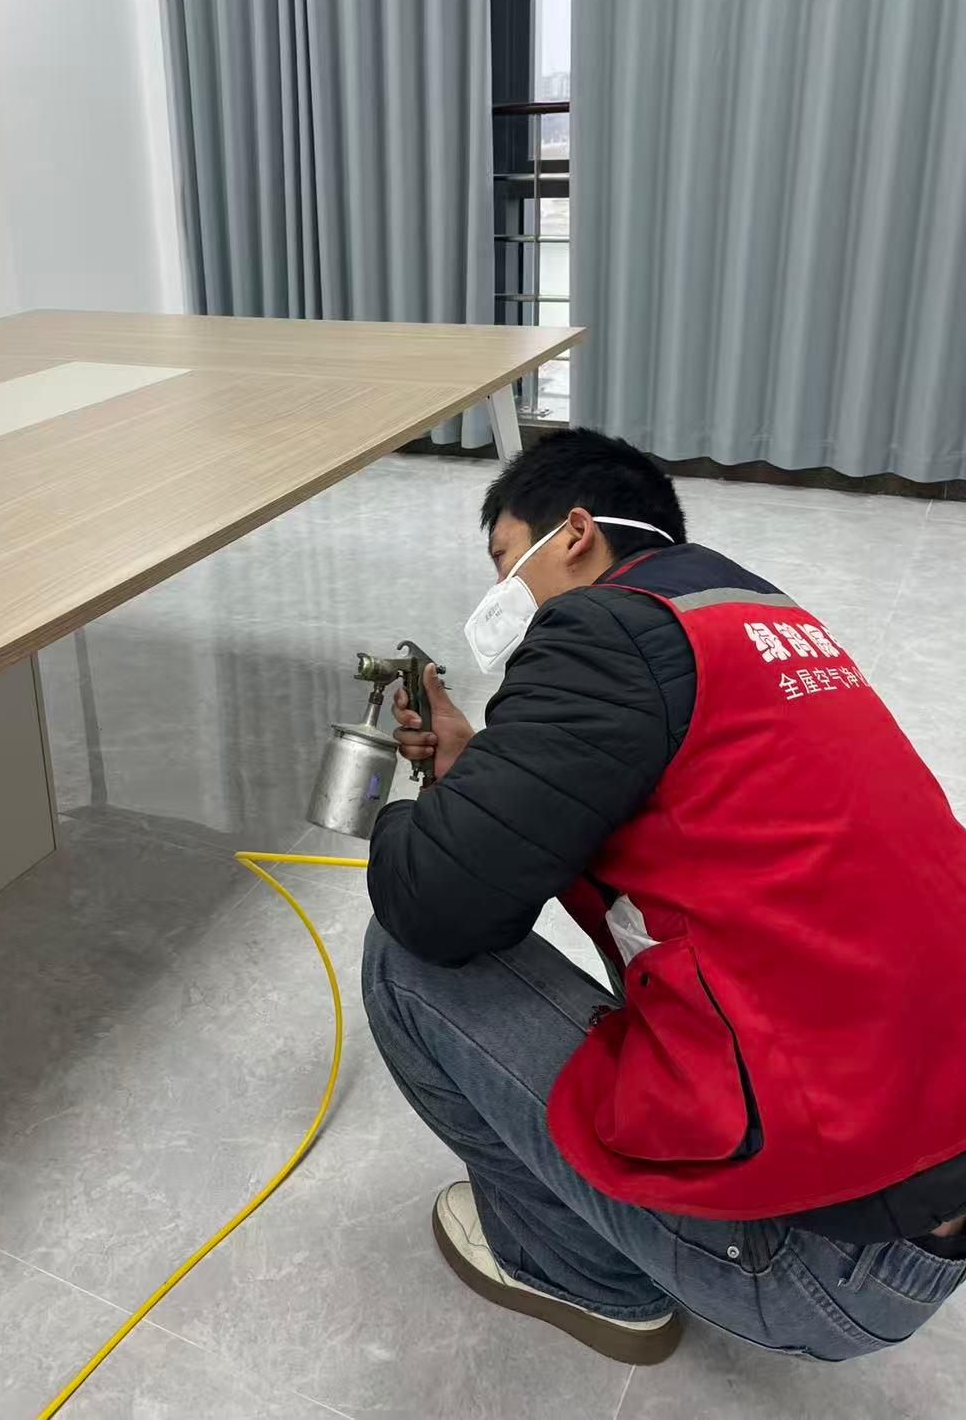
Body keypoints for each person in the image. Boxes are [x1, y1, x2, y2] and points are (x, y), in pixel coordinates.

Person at [363, 428, 966, 1365]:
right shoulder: (748, 612)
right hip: (927, 1189)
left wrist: (408, 809)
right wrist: (480, 767)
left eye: (504, 560)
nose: (501, 595)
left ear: (574, 535)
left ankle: (580, 1273)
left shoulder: (601, 628)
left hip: (818, 1266)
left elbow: (436, 903)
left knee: (404, 959)